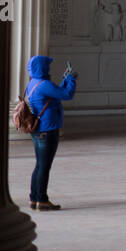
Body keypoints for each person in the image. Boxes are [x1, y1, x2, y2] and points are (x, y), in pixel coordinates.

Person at [25, 55, 77, 210]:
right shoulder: (44, 84)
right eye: (47, 66)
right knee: (44, 166)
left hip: (39, 129)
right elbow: (67, 95)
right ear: (42, 68)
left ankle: (34, 198)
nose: (49, 69)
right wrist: (72, 79)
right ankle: (42, 200)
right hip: (47, 129)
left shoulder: (34, 83)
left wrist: (65, 80)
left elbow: (57, 93)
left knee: (39, 165)